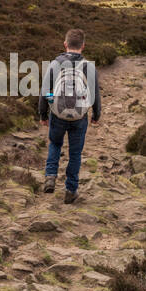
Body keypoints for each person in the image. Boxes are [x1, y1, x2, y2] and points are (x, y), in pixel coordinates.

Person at [38, 28, 101, 204]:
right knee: (75, 153)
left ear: (65, 44)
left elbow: (45, 93)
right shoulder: (89, 67)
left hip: (57, 115)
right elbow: (94, 94)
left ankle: (50, 176)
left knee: (55, 144)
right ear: (83, 46)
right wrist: (96, 114)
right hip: (80, 117)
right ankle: (70, 190)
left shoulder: (54, 64)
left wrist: (44, 113)